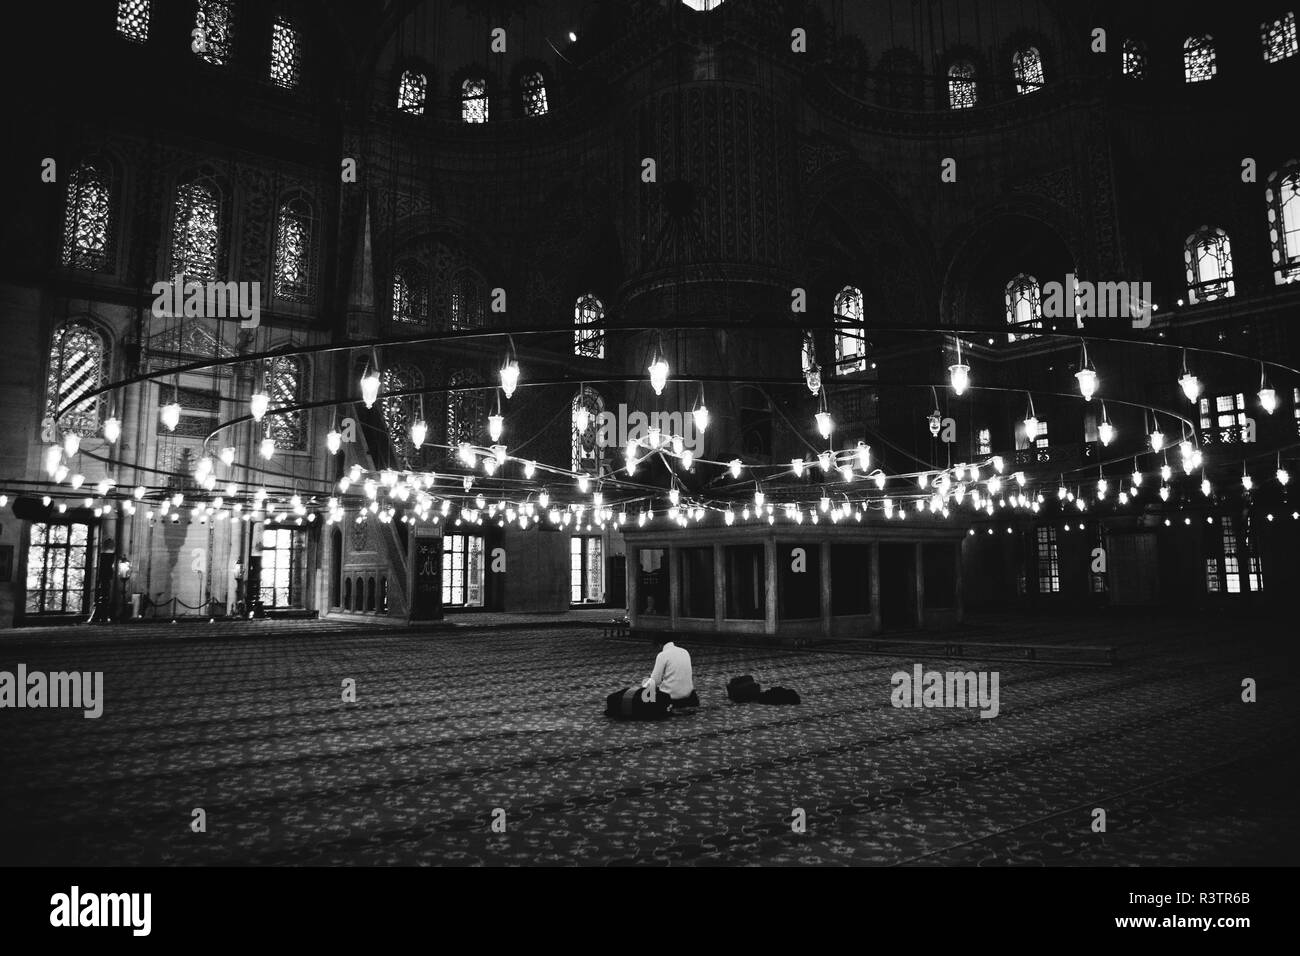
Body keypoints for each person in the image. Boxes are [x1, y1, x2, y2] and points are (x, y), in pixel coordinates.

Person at [642, 637, 699, 708]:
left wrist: (644, 687)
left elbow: (655, 681)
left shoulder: (662, 655)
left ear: (660, 645)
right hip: (689, 696)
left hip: (670, 698)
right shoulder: (684, 651)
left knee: (646, 685)